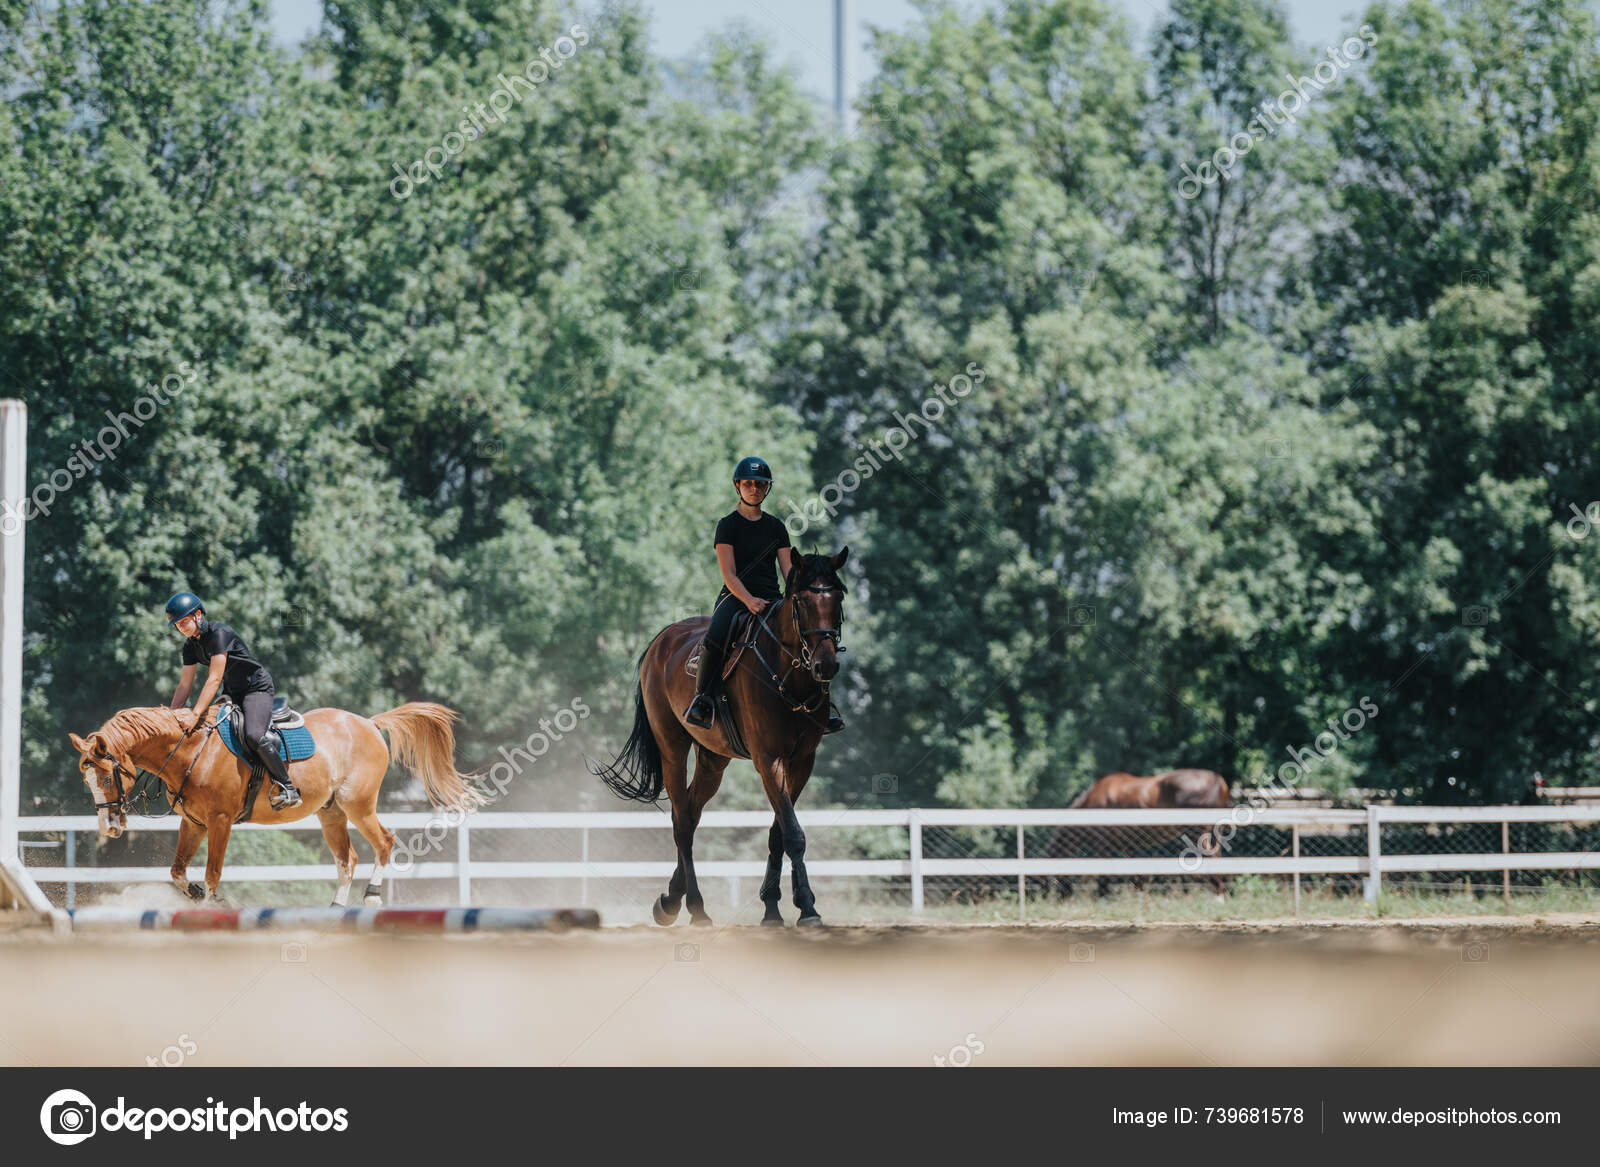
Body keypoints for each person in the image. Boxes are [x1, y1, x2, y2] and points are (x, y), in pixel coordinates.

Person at [683, 457, 844, 734]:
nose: (754, 488)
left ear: (767, 488)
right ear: (738, 485)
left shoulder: (776, 527)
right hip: (735, 598)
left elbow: (788, 572)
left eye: (760, 484)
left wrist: (801, 591)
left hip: (771, 598)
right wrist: (748, 600)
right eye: (748, 483)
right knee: (716, 635)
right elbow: (729, 575)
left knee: (808, 635)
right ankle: (703, 700)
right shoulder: (727, 525)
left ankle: (821, 706)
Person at [164, 592, 301, 810]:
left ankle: (287, 787)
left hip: (256, 689)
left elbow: (214, 678)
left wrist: (194, 713)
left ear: (198, 615)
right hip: (233, 692)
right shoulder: (190, 646)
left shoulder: (220, 633)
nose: (180, 627)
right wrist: (170, 717)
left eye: (183, 621)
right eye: (176, 625)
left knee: (254, 735)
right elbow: (184, 685)